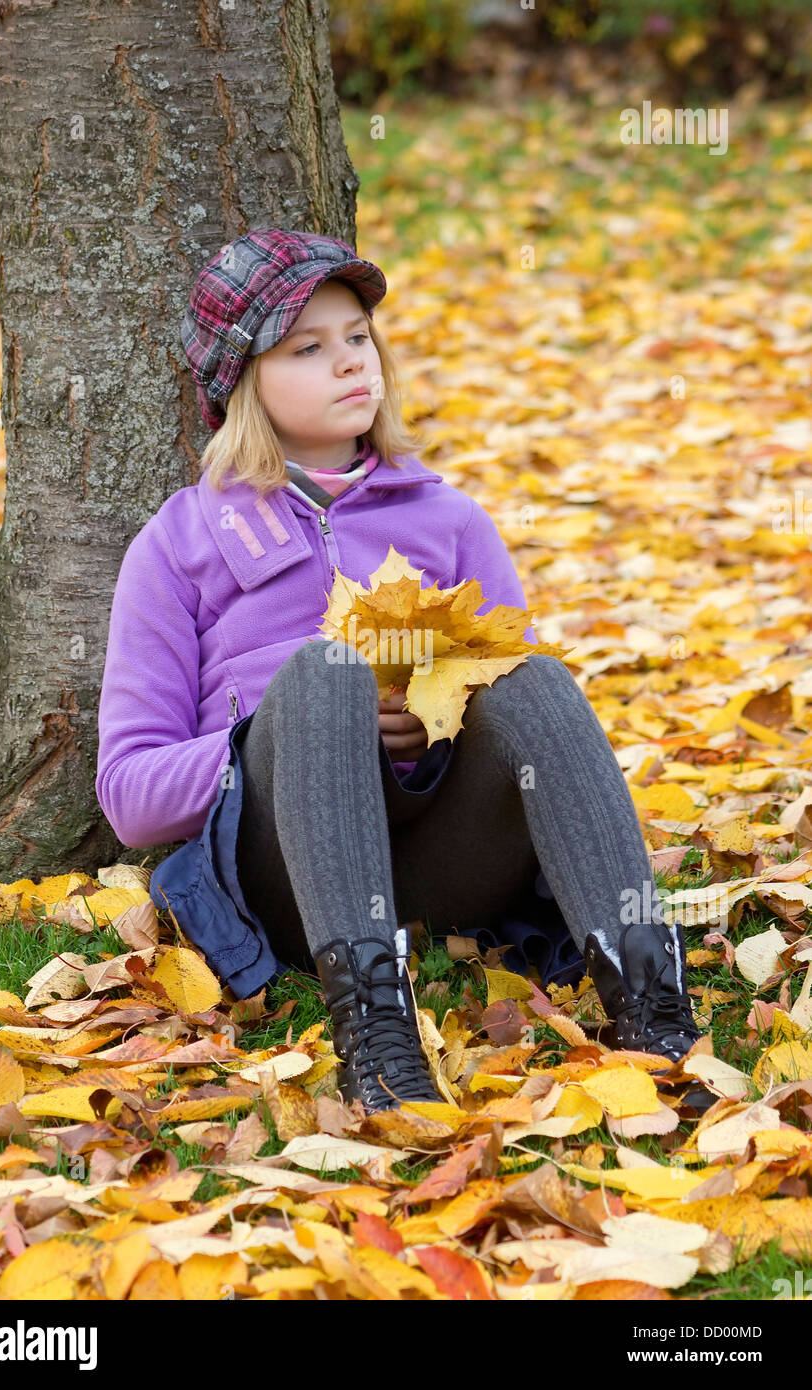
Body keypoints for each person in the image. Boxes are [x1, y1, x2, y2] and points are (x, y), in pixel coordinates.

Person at [96, 227, 700, 1114]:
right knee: (324, 676)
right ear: (241, 384)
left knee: (531, 678)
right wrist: (273, 735)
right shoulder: (180, 541)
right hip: (290, 883)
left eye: (357, 338)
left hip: (448, 863)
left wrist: (437, 715)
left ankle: (655, 1011)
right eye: (308, 348)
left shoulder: (448, 519)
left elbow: (525, 722)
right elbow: (130, 796)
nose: (351, 364)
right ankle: (377, 1040)